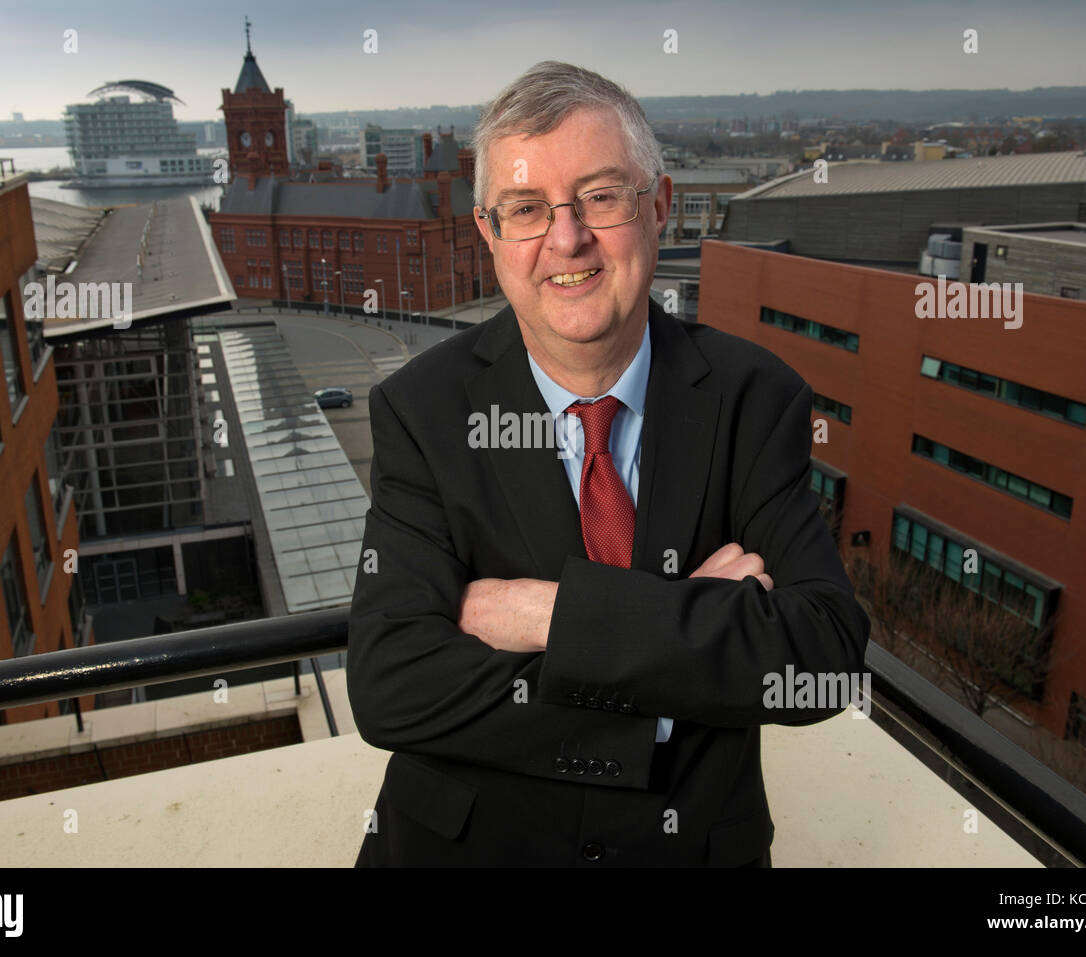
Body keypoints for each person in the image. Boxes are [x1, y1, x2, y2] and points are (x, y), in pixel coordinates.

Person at [346, 60, 870, 866]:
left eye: (600, 196)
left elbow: (822, 656)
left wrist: (548, 617)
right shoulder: (424, 411)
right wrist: (681, 640)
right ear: (488, 233)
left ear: (658, 205)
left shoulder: (753, 398)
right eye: (526, 209)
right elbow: (392, 683)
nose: (567, 239)